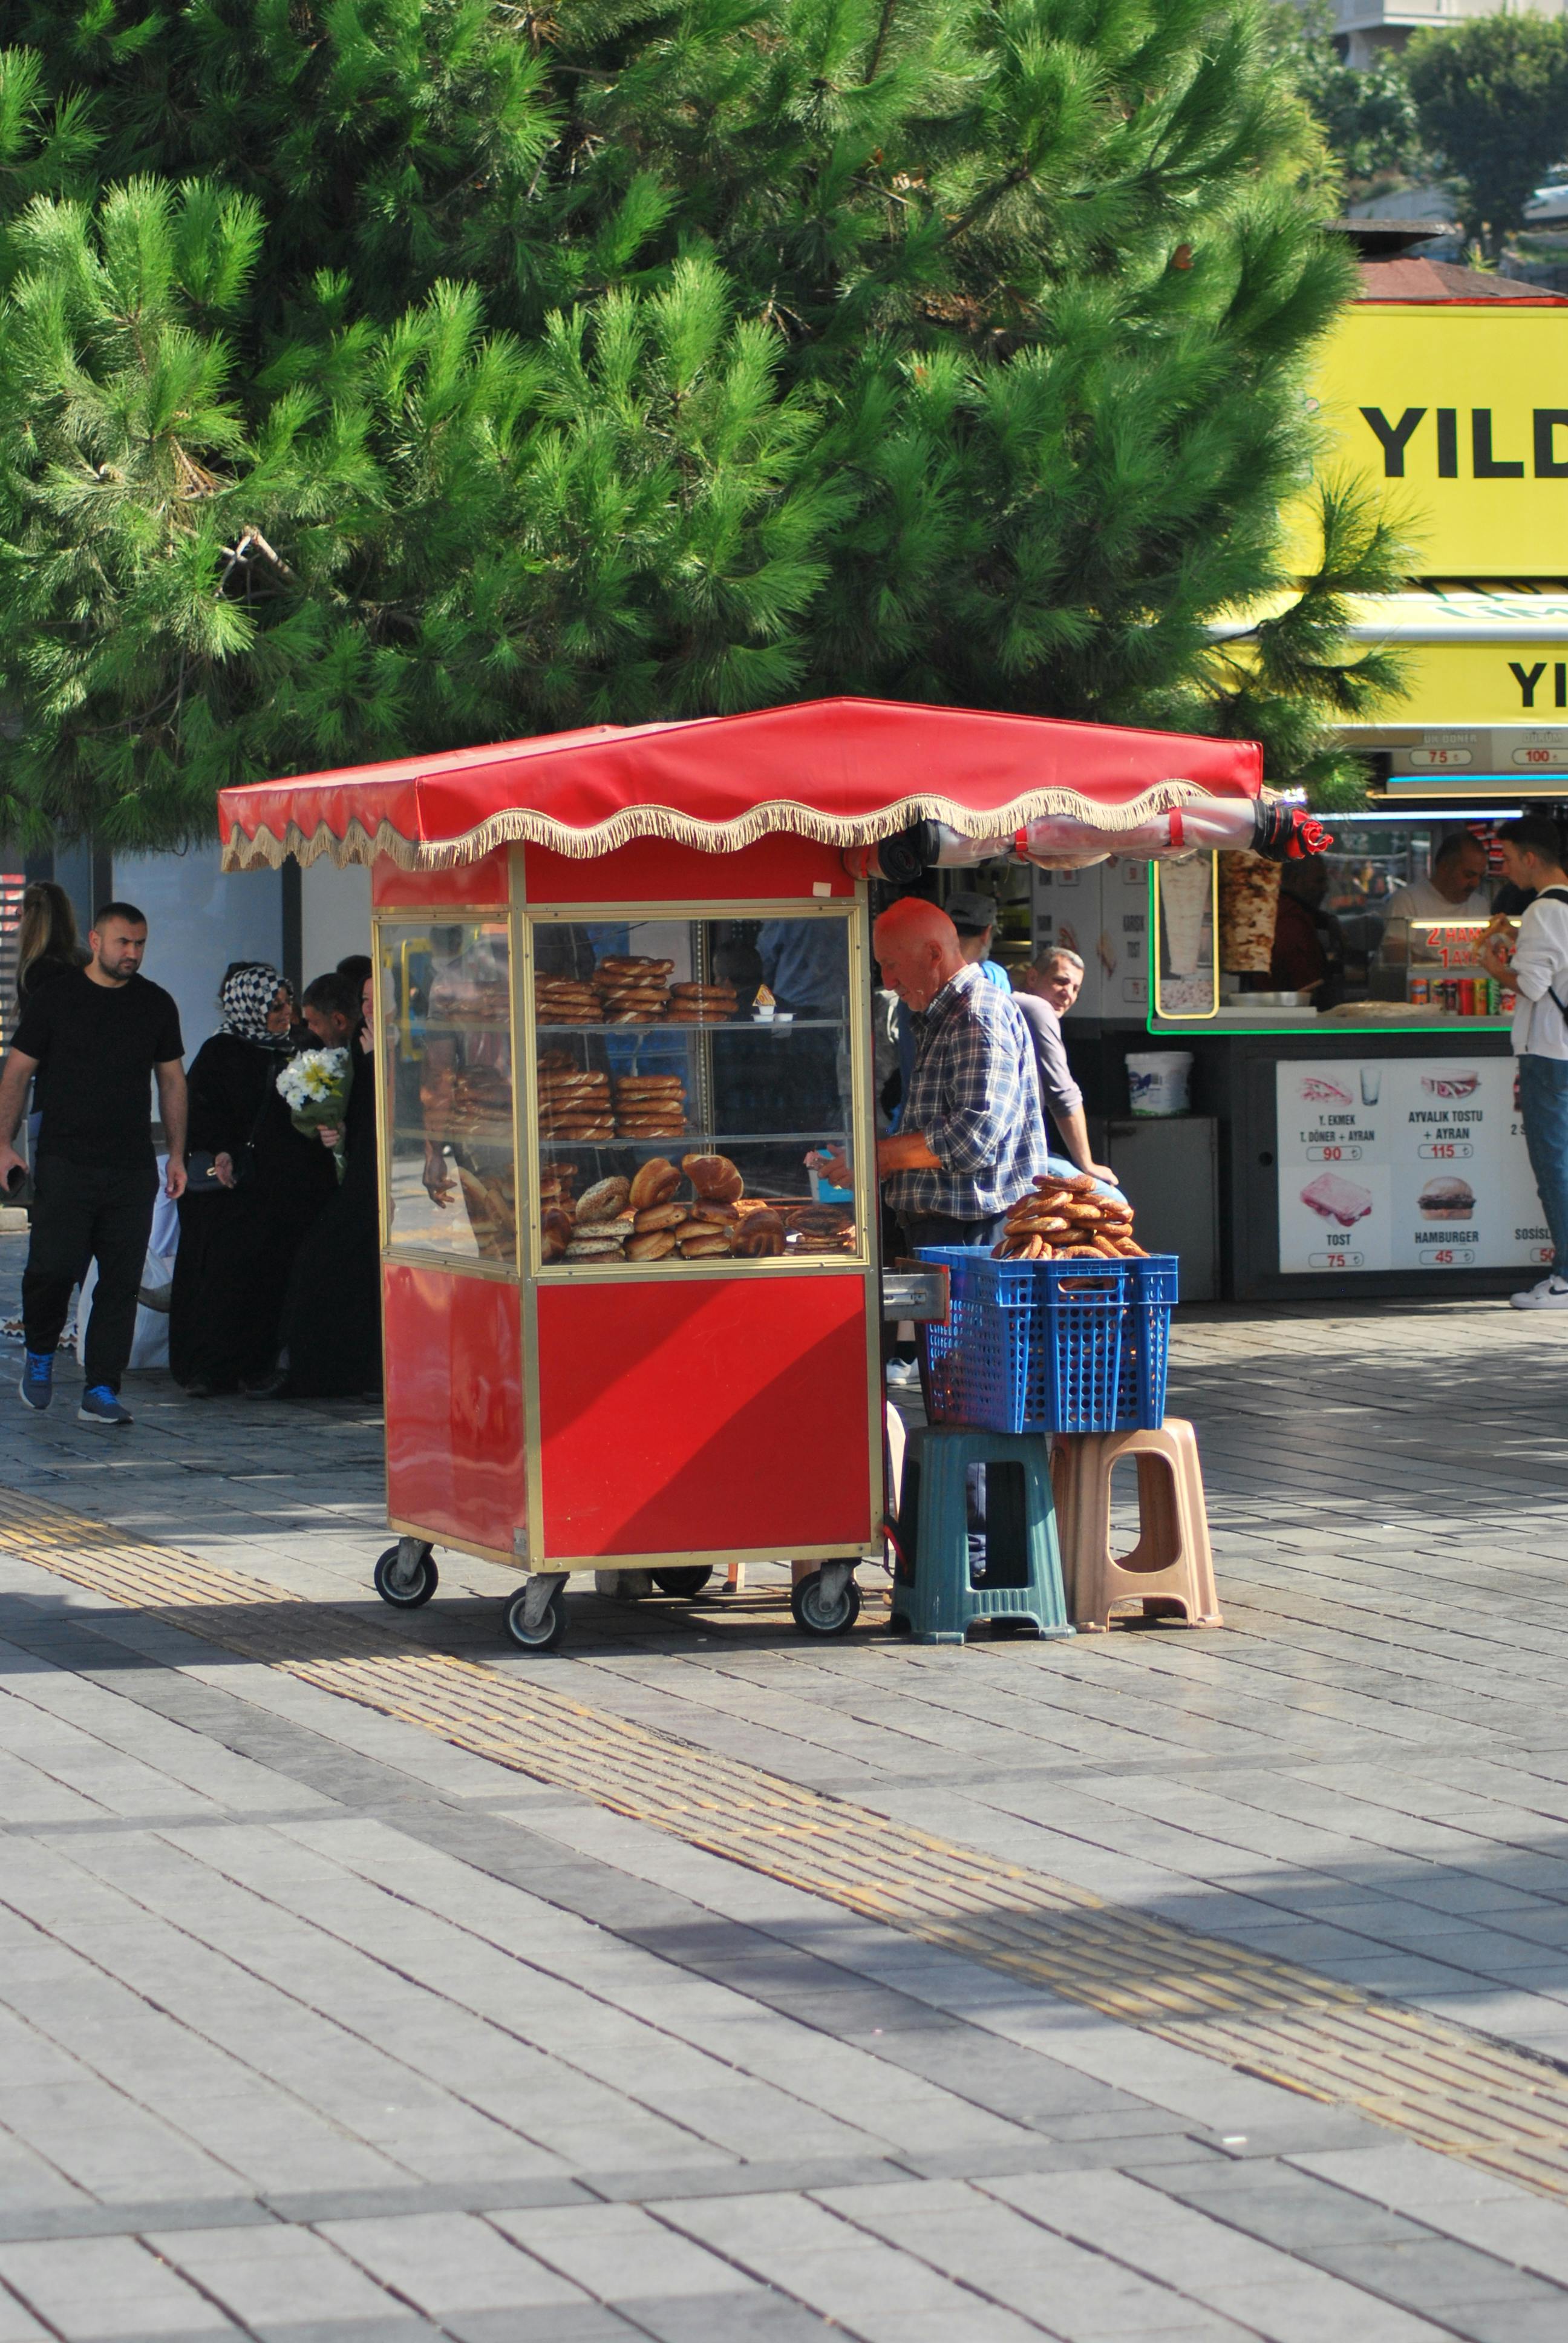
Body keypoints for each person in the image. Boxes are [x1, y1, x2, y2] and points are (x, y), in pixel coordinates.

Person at [0, 902, 186, 1425]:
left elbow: (172, 1081)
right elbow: (16, 1074)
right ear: (96, 940)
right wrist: (4, 1144)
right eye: (124, 942)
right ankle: (39, 1352)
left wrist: (175, 1154)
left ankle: (102, 1387)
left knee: (121, 1280)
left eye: (141, 943)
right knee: (53, 1267)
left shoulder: (155, 1004)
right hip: (65, 1158)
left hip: (130, 1165)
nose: (133, 953)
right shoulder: (56, 998)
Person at [837, 897, 1047, 1253]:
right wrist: (875, 1161)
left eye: (892, 966)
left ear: (934, 954)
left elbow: (974, 1136)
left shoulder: (975, 1015)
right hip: (952, 1231)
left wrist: (878, 1157)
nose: (888, 982)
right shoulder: (946, 1013)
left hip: (973, 1235)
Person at [169, 965, 339, 1396]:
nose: (286, 1013)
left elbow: (326, 1099)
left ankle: (262, 1364)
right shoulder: (221, 1052)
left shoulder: (304, 1046)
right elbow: (201, 1112)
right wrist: (222, 1149)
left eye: (286, 1003)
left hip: (293, 1185)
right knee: (227, 1278)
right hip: (238, 1190)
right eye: (275, 1005)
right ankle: (213, 1368)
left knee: (275, 1275)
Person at [267, 970, 381, 1397]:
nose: (368, 1007)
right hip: (363, 1170)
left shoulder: (382, 1047)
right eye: (364, 999)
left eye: (374, 999)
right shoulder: (357, 1049)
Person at [1479, 817, 1568, 1310]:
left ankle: (1565, 1278)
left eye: (1508, 857)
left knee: (1554, 1165)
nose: (1504, 866)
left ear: (1532, 858)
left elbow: (1532, 985)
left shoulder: (1544, 910)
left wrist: (1494, 967)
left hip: (1548, 1054)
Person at [1014, 950, 1119, 1188]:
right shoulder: (1036, 1008)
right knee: (1112, 1200)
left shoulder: (1013, 1003)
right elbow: (1062, 1094)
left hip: (1008, 1151)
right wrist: (1087, 1165)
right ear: (1032, 978)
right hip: (1014, 1157)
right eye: (1061, 981)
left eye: (1076, 989)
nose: (1068, 994)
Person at [1269, 860, 1348, 1007]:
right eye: (1318, 881)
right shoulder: (1290, 918)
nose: (1325, 889)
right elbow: (1306, 983)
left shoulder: (1298, 913)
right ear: (1294, 879)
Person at [1384, 831, 1492, 923]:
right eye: (1469, 875)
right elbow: (1397, 946)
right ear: (1444, 868)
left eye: (1481, 876)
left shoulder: (1480, 905)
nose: (1476, 883)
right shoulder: (1408, 901)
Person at [15, 882, 87, 1012]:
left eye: (19, 914)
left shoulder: (33, 974)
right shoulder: (86, 963)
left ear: (28, 920)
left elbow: (35, 1030)